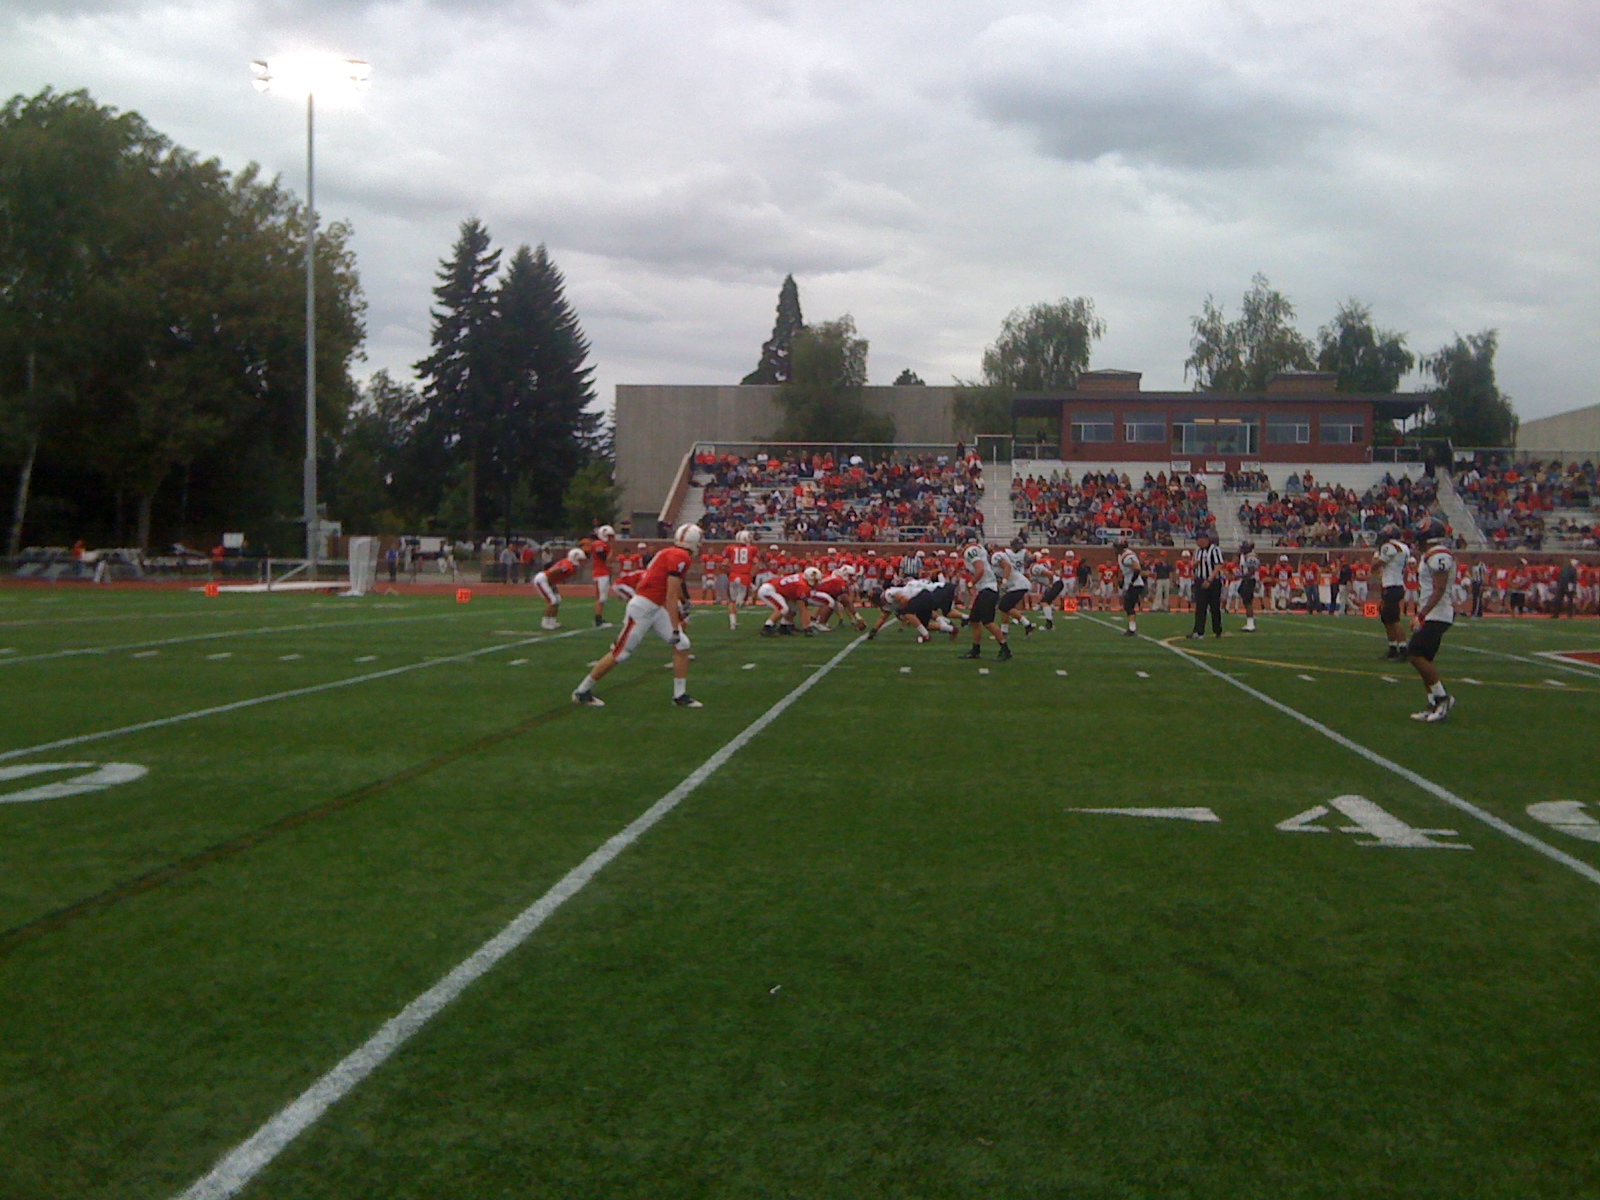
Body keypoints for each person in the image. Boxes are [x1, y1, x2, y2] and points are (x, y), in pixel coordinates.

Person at [573, 524, 703, 709]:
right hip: (643, 608)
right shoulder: (680, 557)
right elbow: (671, 594)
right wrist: (676, 626)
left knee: (683, 645)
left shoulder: (671, 552)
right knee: (621, 653)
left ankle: (679, 695)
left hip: (655, 607)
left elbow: (669, 588)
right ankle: (582, 691)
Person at [1406, 519, 1457, 723]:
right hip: (1432, 612)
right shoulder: (1430, 555)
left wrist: (1422, 613)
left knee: (1415, 654)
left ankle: (1443, 698)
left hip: (1438, 613)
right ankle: (1433, 702)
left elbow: (1440, 588)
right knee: (1424, 657)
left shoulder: (1439, 555)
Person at [958, 541, 1009, 660]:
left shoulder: (971, 551)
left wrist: (971, 584)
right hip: (986, 589)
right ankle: (976, 650)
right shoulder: (979, 548)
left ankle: (1005, 649)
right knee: (974, 620)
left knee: (988, 622)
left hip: (988, 589)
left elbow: (980, 570)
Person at [1373, 525, 1412, 659]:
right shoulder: (1404, 547)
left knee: (1394, 619)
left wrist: (1376, 557)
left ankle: (1402, 648)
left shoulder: (1389, 547)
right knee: (1387, 618)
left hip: (1392, 585)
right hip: (1397, 584)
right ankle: (1393, 647)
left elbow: (1375, 566)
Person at [532, 548, 586, 629]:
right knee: (552, 601)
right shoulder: (568, 566)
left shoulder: (569, 564)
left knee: (558, 600)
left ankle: (552, 622)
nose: (582, 562)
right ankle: (545, 623)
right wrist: (550, 583)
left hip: (549, 581)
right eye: (580, 560)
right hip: (543, 579)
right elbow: (553, 572)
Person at [1186, 531, 1224, 639]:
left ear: (1204, 540)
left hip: (1213, 581)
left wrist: (1210, 579)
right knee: (1200, 607)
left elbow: (1218, 566)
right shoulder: (1197, 551)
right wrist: (1194, 565)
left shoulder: (1215, 550)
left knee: (1214, 607)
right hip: (1200, 580)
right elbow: (1193, 567)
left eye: (1198, 540)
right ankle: (1199, 631)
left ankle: (1217, 630)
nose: (1197, 542)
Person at [726, 530, 756, 630]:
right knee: (743, 598)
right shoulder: (752, 549)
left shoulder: (730, 548)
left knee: (732, 601)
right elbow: (756, 563)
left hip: (733, 575)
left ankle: (732, 623)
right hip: (744, 576)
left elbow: (724, 563)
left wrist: (729, 572)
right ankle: (740, 604)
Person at [1116, 538, 1145, 636]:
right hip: (1131, 584)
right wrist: (1123, 582)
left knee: (1129, 606)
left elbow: (1137, 568)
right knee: (1128, 606)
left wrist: (1131, 582)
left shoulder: (1128, 556)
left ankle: (1132, 629)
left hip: (1135, 584)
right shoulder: (1122, 556)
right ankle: (1132, 628)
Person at [590, 525, 616, 627]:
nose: (611, 538)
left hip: (603, 573)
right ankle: (598, 620)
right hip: (601, 573)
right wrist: (612, 549)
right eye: (609, 536)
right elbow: (606, 559)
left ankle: (599, 619)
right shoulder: (599, 544)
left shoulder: (604, 545)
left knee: (602, 597)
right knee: (601, 597)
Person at [1237, 540, 1260, 633]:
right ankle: (1249, 623)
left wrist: (1240, 576)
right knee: (1245, 599)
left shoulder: (1250, 556)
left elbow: (1251, 571)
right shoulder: (1245, 556)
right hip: (1247, 580)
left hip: (1249, 580)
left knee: (1248, 601)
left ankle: (1251, 624)